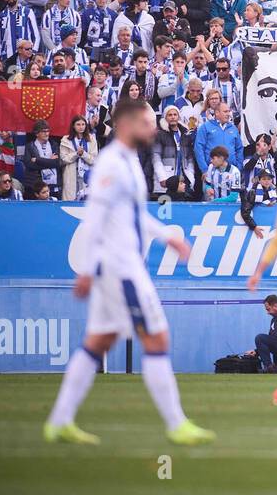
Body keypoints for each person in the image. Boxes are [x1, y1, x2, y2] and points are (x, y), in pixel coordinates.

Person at [43, 99, 215, 446]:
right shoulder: (111, 163)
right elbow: (95, 216)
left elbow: (132, 214)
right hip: (121, 268)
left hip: (119, 266)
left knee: (98, 341)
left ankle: (60, 421)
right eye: (147, 123)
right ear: (126, 124)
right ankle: (176, 424)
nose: (153, 129)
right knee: (157, 338)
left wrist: (167, 236)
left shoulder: (130, 160)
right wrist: (87, 269)